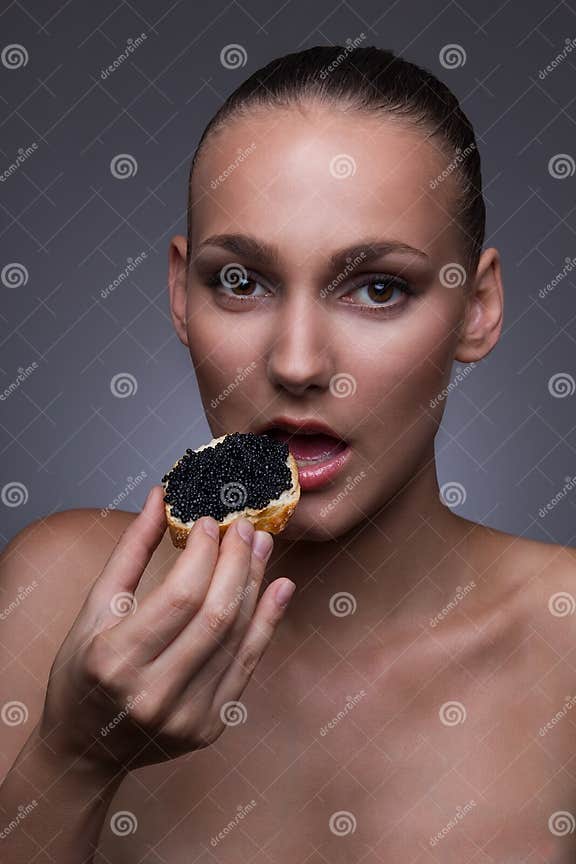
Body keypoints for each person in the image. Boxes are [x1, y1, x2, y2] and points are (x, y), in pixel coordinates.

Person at [1, 44, 575, 864]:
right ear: (179, 295)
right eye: (241, 282)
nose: (298, 362)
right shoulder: (60, 597)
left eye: (378, 287)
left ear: (477, 310)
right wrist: (75, 760)